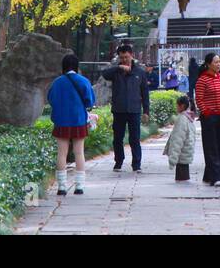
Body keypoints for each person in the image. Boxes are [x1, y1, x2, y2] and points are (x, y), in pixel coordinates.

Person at [48, 53, 95, 195]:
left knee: (62, 153)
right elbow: (90, 101)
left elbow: (50, 99)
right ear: (76, 66)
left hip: (61, 121)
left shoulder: (57, 82)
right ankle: (79, 186)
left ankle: (61, 187)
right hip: (78, 120)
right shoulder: (83, 81)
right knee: (79, 152)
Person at [101, 42, 151, 172]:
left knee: (135, 138)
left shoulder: (139, 72)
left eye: (126, 57)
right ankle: (118, 161)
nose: (124, 60)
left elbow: (145, 93)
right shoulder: (116, 72)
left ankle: (136, 164)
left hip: (134, 110)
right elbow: (105, 74)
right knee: (118, 138)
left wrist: (146, 111)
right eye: (121, 58)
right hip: (119, 110)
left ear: (132, 56)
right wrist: (119, 68)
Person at [194, 52, 220, 187]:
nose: (218, 64)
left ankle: (208, 175)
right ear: (208, 64)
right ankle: (216, 177)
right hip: (210, 117)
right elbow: (199, 99)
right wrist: (206, 112)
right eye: (216, 62)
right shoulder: (202, 80)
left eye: (219, 62)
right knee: (211, 147)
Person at [162, 95, 196, 181]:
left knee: (181, 180)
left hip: (182, 154)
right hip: (186, 152)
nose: (176, 107)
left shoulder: (182, 119)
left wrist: (173, 159)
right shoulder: (189, 117)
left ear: (182, 106)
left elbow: (177, 140)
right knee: (184, 177)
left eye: (177, 105)